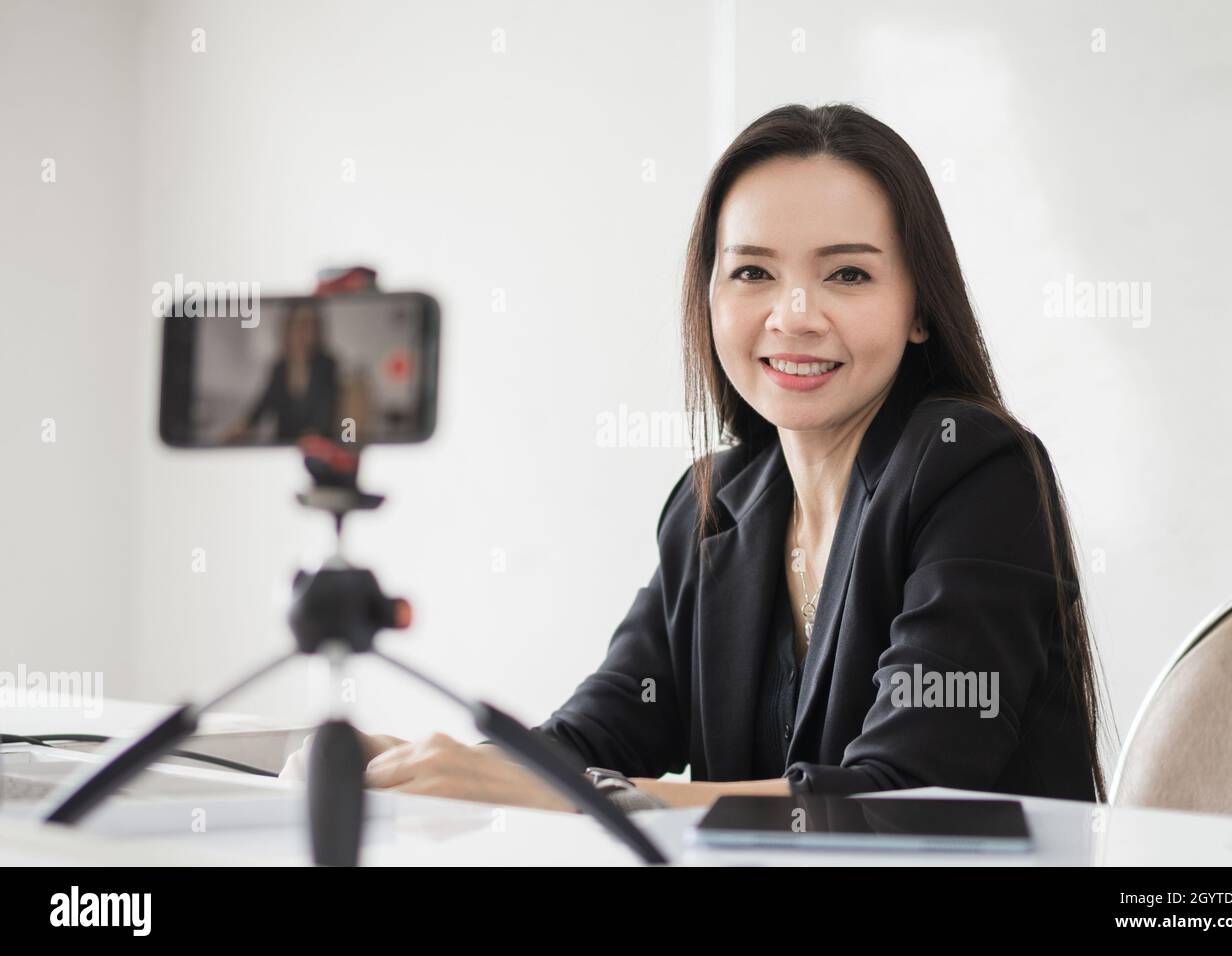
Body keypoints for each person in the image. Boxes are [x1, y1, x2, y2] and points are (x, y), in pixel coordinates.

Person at [283, 103, 1113, 813]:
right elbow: (597, 734)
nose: (793, 315)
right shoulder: (716, 504)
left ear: (920, 308)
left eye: (849, 275)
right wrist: (428, 764)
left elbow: (902, 801)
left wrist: (584, 795)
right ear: (709, 297)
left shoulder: (974, 470)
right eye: (752, 271)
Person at [221, 301, 339, 443]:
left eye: (308, 325)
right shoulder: (279, 368)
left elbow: (326, 414)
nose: (302, 332)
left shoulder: (327, 366)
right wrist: (239, 429)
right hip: (283, 449)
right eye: (297, 325)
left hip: (317, 451)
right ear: (288, 329)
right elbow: (261, 408)